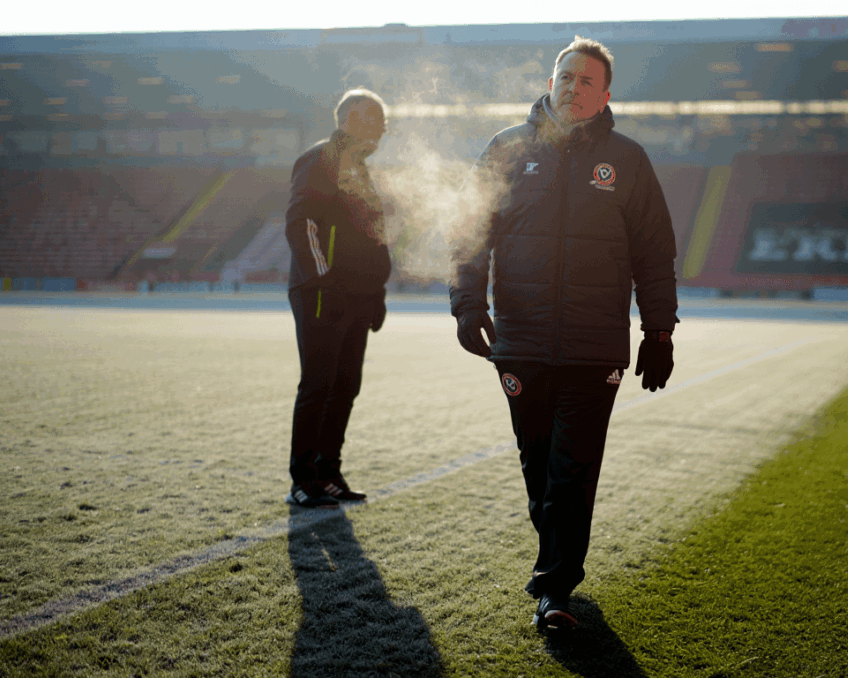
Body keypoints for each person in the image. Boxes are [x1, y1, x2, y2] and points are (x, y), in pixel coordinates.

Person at [449, 37, 678, 631]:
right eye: (564, 75)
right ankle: (558, 556)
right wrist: (467, 303)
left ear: (605, 96)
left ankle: (554, 592)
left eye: (586, 81)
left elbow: (655, 251)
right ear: (551, 80)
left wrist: (658, 329)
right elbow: (469, 231)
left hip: (593, 346)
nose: (572, 87)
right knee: (538, 464)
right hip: (519, 339)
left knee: (573, 469)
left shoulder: (627, 159)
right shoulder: (505, 148)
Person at [284, 88, 392, 508]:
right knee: (319, 384)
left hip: (357, 296)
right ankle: (302, 479)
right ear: (346, 120)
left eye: (384, 122)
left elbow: (373, 235)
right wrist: (322, 282)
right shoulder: (319, 159)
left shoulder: (361, 168)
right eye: (374, 119)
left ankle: (328, 473)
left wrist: (377, 291)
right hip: (322, 293)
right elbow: (301, 223)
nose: (381, 128)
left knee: (346, 385)